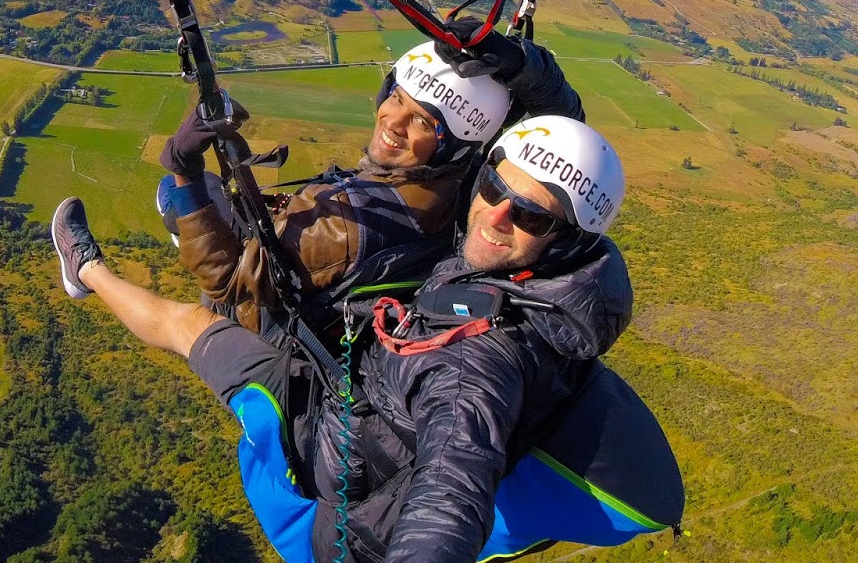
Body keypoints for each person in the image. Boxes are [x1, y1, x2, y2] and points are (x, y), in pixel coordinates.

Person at [51, 114, 683, 563]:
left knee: (197, 326)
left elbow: (450, 496)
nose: (494, 215)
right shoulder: (553, 290)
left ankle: (84, 270)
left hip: (340, 516)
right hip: (372, 438)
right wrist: (517, 61)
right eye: (494, 188)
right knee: (291, 312)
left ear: (567, 237)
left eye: (531, 215)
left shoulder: (478, 366)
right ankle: (196, 218)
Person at [156, 23, 583, 335]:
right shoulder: (472, 182)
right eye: (396, 99)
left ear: (453, 143)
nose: (391, 122)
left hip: (267, 317)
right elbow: (567, 138)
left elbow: (231, 283)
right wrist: (524, 66)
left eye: (421, 121)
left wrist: (183, 166)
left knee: (181, 197)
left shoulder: (347, 225)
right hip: (346, 257)